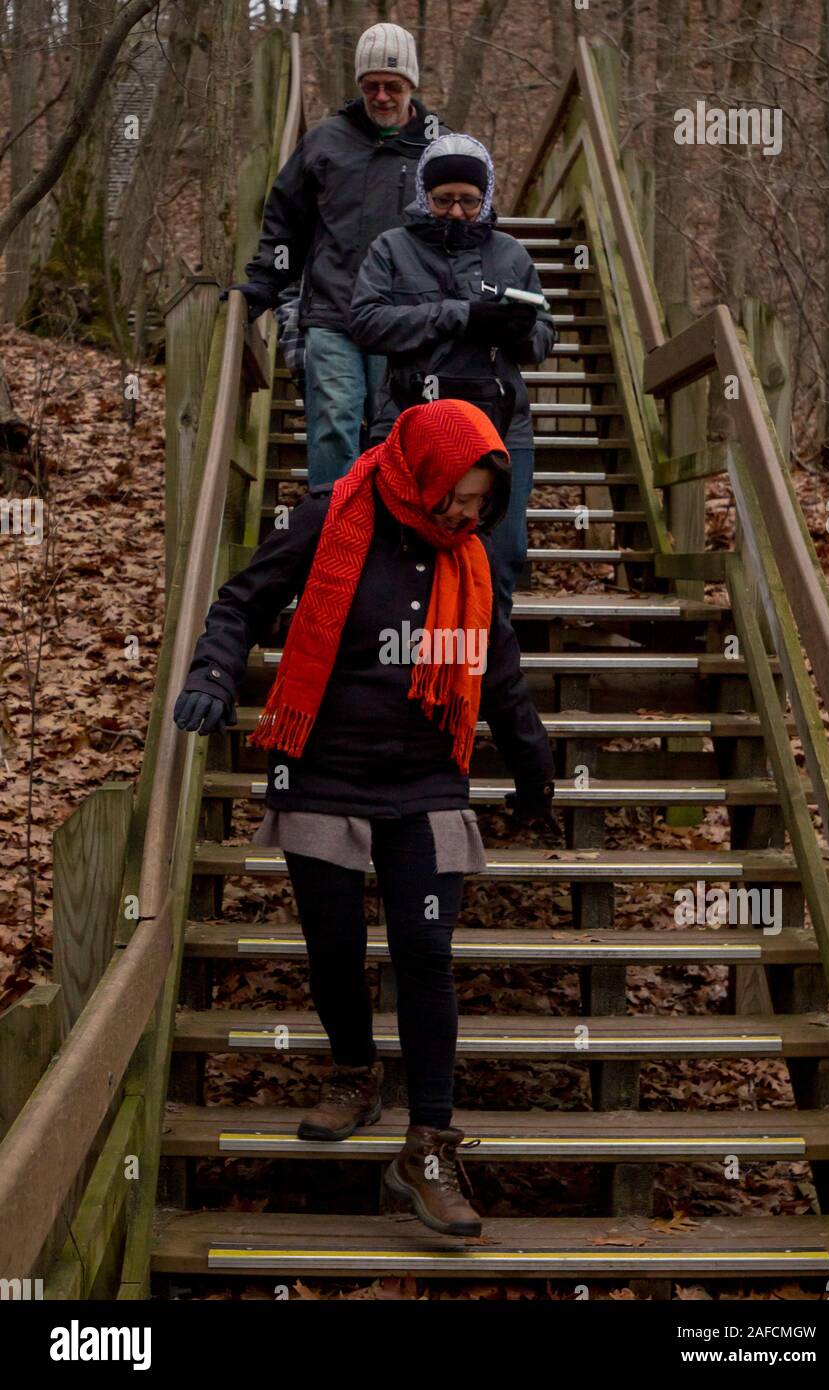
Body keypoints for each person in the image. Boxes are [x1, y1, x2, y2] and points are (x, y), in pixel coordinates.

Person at [173, 399, 559, 1238]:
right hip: (322, 769)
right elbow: (242, 600)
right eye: (460, 497)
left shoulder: (476, 561)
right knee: (335, 945)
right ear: (421, 470)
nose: (469, 514)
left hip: (425, 780)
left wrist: (536, 775)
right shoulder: (329, 518)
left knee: (425, 950)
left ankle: (427, 1146)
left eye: (483, 502)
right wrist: (212, 673)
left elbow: (500, 677)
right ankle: (353, 1067)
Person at [224, 22, 450, 488]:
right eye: (371, 87)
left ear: (411, 85)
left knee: (398, 434)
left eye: (393, 86)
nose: (382, 96)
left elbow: (468, 225)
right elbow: (286, 222)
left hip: (405, 317)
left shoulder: (439, 147)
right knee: (333, 422)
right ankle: (333, 531)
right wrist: (264, 284)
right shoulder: (325, 141)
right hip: (333, 311)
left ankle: (391, 543)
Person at [350, 132, 556, 617]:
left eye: (469, 200)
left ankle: (485, 674)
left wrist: (519, 332)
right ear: (424, 195)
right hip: (406, 421)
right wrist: (458, 315)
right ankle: (401, 677)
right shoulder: (390, 249)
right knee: (400, 557)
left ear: (486, 199)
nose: (457, 212)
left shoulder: (512, 255)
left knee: (499, 558)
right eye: (444, 200)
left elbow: (545, 338)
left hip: (501, 429)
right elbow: (365, 323)